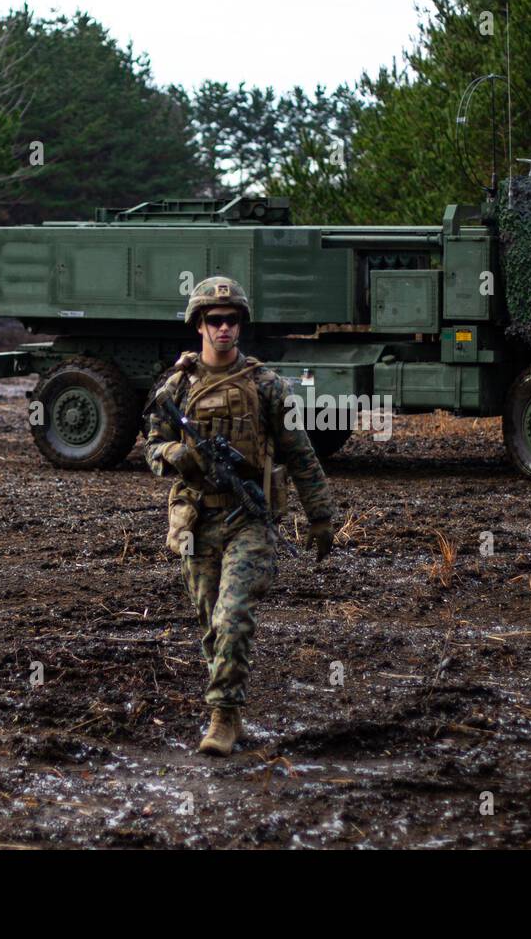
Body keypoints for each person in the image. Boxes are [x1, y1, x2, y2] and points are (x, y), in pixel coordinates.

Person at [143, 276, 336, 756]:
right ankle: (230, 709)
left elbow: (299, 453)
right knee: (211, 624)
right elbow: (150, 449)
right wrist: (175, 454)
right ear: (199, 326)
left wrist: (321, 517)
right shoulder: (177, 387)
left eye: (231, 320)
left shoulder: (267, 385)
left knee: (233, 617)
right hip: (196, 520)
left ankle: (223, 718)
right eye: (215, 320)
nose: (224, 328)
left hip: (250, 521)